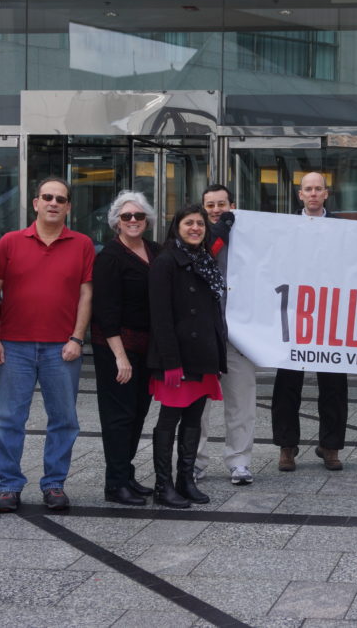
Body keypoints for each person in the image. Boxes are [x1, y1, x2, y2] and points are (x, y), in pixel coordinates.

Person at [0, 177, 94, 512]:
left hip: (61, 348)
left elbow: (86, 294)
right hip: (13, 345)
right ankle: (8, 486)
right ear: (35, 203)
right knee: (8, 418)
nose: (53, 203)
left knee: (63, 419)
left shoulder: (82, 244)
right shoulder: (9, 242)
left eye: (60, 199)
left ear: (68, 207)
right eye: (47, 197)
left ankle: (54, 484)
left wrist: (77, 338)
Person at [148, 204, 230, 508]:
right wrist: (170, 361)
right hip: (177, 358)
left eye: (199, 223)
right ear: (177, 227)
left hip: (203, 355)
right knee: (169, 419)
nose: (195, 228)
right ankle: (162, 484)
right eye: (189, 223)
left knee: (194, 418)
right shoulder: (166, 261)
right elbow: (160, 316)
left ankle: (186, 479)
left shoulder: (205, 259)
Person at [272, 172, 350, 471]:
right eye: (308, 189)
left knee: (333, 383)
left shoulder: (343, 229)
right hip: (294, 312)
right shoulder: (284, 228)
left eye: (319, 189)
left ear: (326, 194)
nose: (314, 194)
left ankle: (330, 447)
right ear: (300, 195)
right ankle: (286, 447)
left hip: (331, 314)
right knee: (287, 383)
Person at [91, 190, 160, 506]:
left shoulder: (156, 252)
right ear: (116, 222)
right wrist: (120, 357)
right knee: (118, 417)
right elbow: (105, 312)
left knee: (137, 414)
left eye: (139, 216)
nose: (133, 221)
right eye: (126, 216)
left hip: (148, 349)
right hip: (118, 349)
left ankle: (127, 474)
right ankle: (114, 483)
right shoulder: (109, 257)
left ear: (147, 220)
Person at [195, 184, 256, 486]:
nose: (216, 210)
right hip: (205, 332)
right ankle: (194, 461)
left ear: (233, 204)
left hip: (238, 333)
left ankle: (240, 461)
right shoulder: (194, 238)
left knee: (241, 399)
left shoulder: (248, 238)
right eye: (210, 205)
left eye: (222, 204)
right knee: (197, 402)